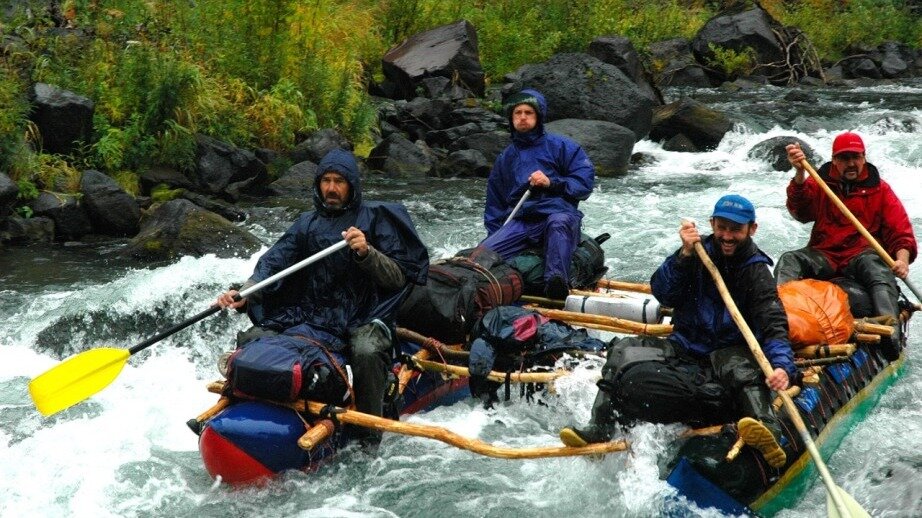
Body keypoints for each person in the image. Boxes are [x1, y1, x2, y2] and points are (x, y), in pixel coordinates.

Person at [559, 195, 796, 469]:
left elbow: (773, 324)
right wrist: (683, 256)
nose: (727, 236)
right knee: (624, 349)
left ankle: (768, 428)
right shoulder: (695, 252)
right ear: (712, 224)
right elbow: (663, 292)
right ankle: (598, 425)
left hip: (728, 353)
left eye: (736, 230)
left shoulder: (756, 271)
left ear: (751, 230)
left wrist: (781, 366)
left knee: (738, 366)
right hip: (683, 345)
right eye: (722, 228)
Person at [215, 148, 429, 439]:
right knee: (255, 337)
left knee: (366, 351)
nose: (331, 188)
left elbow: (396, 279)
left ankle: (368, 431)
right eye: (325, 181)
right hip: (312, 313)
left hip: (364, 314)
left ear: (351, 185)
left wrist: (366, 252)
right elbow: (274, 263)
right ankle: (247, 408)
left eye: (339, 181)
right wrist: (245, 292)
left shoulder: (375, 219)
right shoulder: (307, 224)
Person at [780, 132, 916, 359]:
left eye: (856, 157)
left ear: (864, 157)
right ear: (834, 160)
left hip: (861, 255)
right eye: (844, 158)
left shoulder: (881, 190)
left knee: (876, 267)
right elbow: (801, 212)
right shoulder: (820, 182)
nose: (851, 163)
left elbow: (901, 233)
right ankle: (780, 322)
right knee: (789, 259)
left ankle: (889, 334)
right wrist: (800, 173)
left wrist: (901, 261)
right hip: (825, 254)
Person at [480, 88, 595, 300]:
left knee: (558, 223)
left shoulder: (562, 147)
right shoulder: (506, 158)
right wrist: (494, 236)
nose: (522, 117)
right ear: (511, 118)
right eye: (518, 113)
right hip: (522, 221)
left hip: (558, 214)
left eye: (528, 113)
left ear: (538, 117)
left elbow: (584, 184)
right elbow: (495, 204)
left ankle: (556, 284)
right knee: (482, 257)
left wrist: (551, 182)